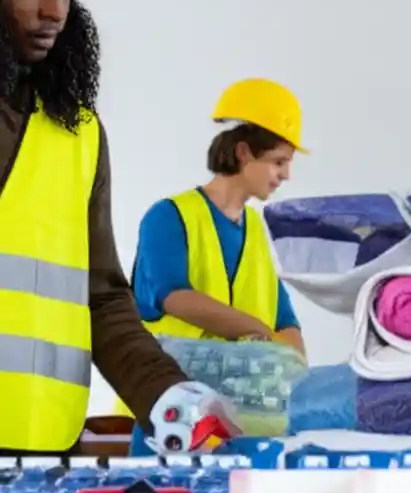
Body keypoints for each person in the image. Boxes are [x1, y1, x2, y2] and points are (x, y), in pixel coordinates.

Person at [0, 0, 235, 456]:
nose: (54, 9)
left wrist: (168, 395)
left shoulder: (76, 133)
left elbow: (101, 299)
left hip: (36, 447)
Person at [123, 79, 308, 452]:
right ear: (243, 152)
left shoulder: (260, 231)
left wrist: (287, 365)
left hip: (243, 430)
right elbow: (172, 296)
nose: (286, 174)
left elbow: (286, 328)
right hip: (168, 421)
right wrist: (255, 332)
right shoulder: (169, 216)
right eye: (279, 161)